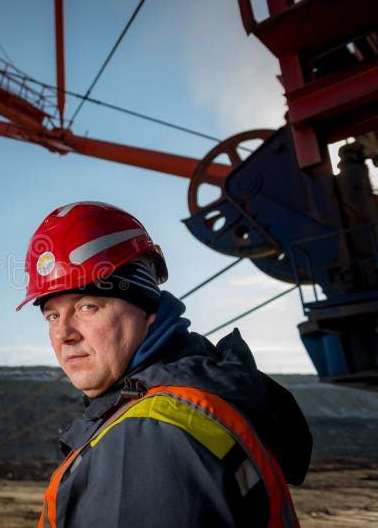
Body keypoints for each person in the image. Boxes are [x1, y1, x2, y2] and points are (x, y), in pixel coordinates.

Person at [16, 201, 312, 528]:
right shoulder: (175, 404)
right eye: (52, 316)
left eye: (88, 307)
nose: (63, 334)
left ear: (147, 311)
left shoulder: (148, 435)